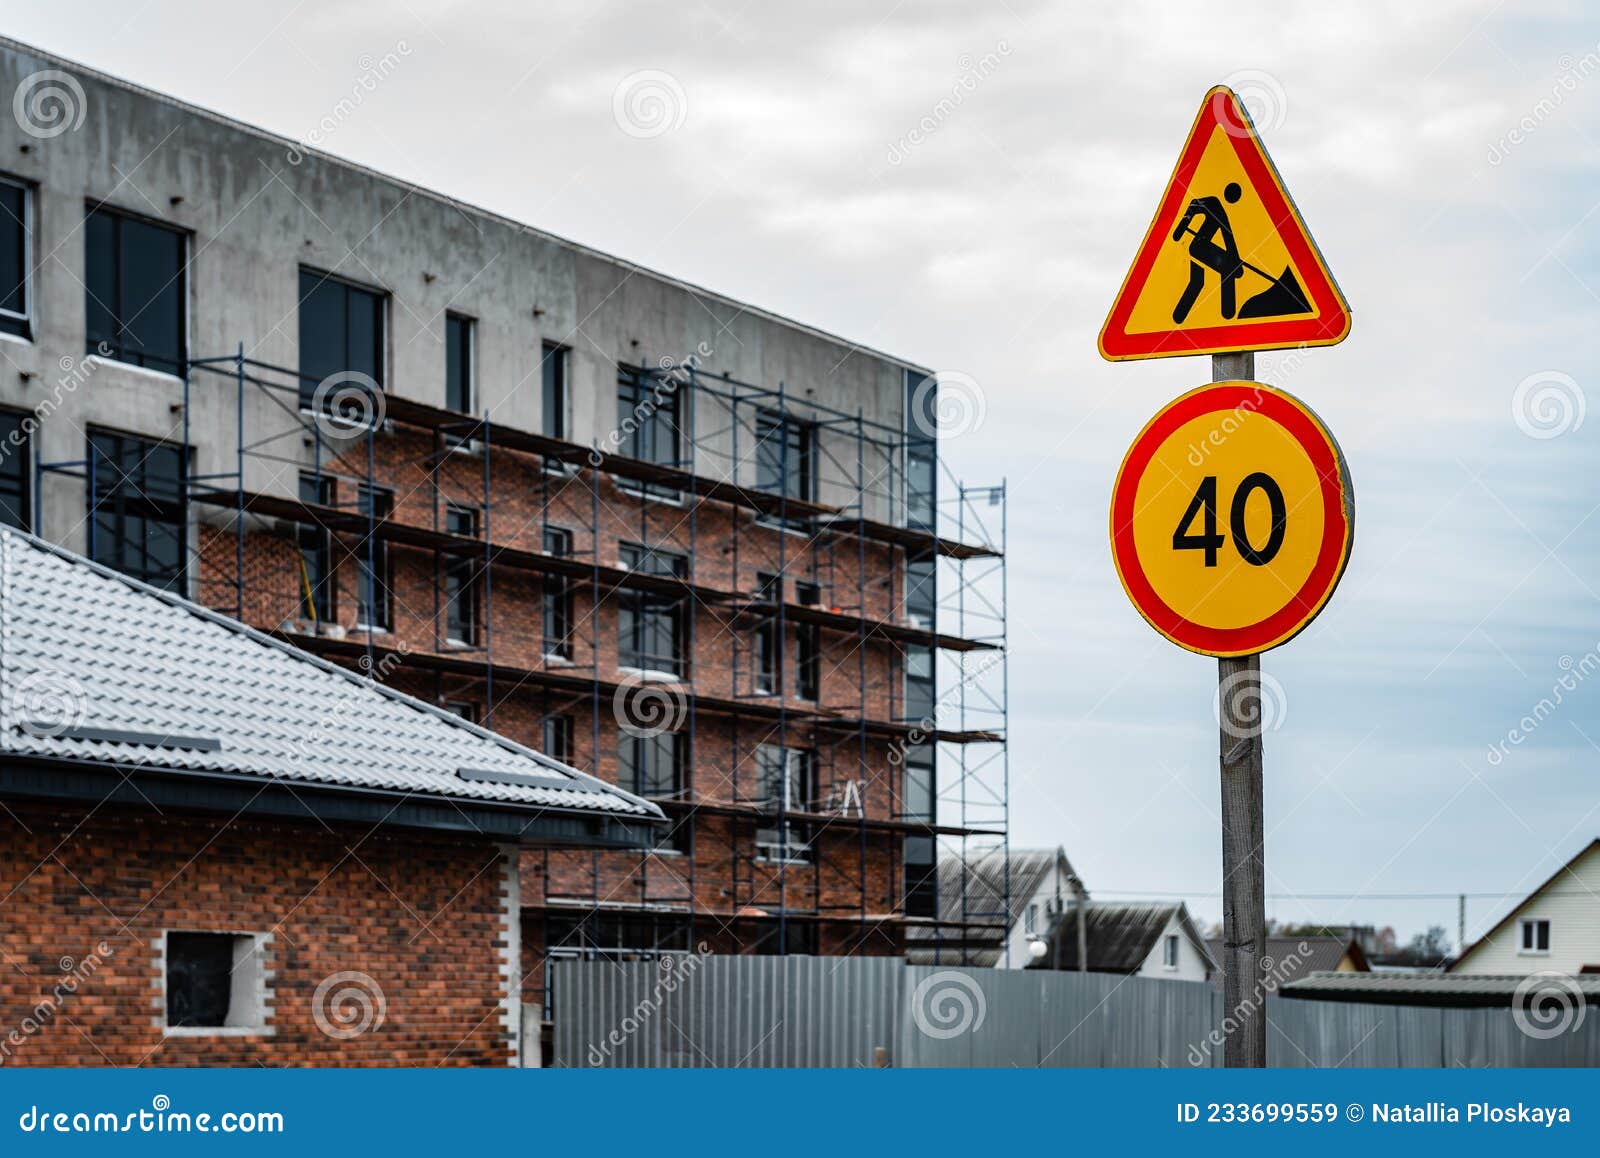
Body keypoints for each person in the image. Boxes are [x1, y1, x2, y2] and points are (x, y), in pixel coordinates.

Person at [1171, 182, 1243, 324]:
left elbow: (1226, 233)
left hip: (1200, 246)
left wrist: (1235, 260)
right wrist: (1179, 231)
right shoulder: (1213, 203)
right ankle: (1179, 318)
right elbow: (1191, 209)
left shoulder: (1219, 209)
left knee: (1202, 279)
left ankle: (1227, 314)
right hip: (1197, 247)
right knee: (1202, 280)